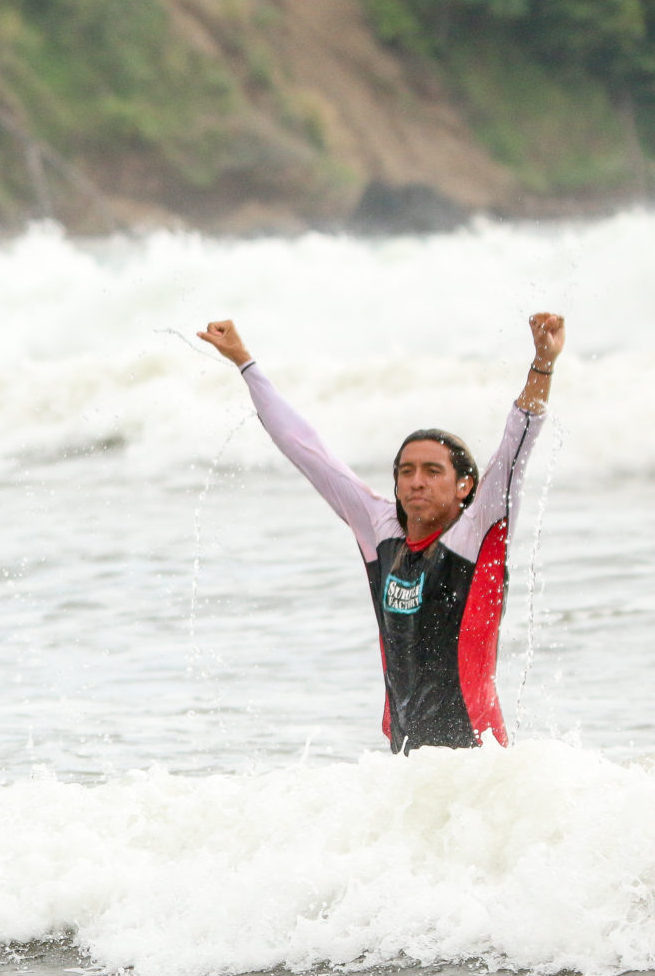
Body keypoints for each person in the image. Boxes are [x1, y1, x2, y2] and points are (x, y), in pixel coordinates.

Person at [196, 313, 563, 753]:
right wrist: (244, 362)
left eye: (432, 471)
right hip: (406, 757)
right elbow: (305, 447)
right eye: (406, 471)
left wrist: (543, 362)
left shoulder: (478, 533)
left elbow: (516, 444)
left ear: (465, 485)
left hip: (479, 756)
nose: (416, 482)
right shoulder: (379, 529)